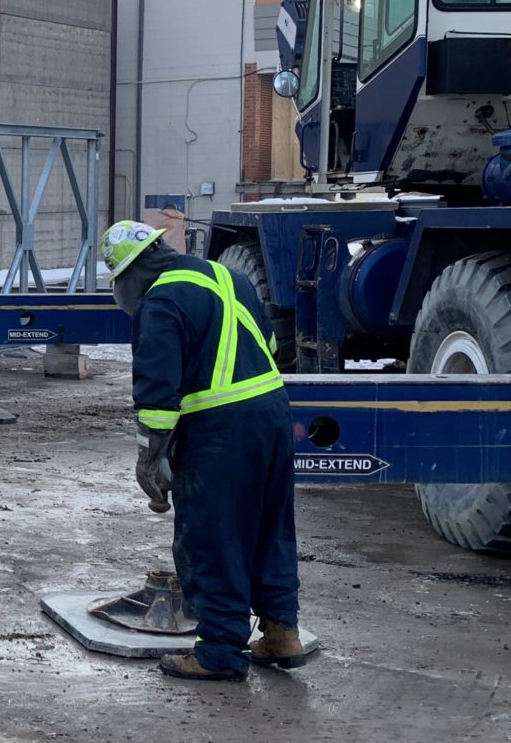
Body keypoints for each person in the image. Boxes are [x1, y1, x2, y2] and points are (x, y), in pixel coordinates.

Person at [101, 220, 304, 681]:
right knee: (270, 529)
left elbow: (157, 397)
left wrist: (149, 460)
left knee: (213, 538)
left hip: (220, 431)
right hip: (273, 415)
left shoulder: (161, 301)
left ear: (130, 273)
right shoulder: (228, 276)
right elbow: (269, 344)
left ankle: (219, 652)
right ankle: (281, 630)